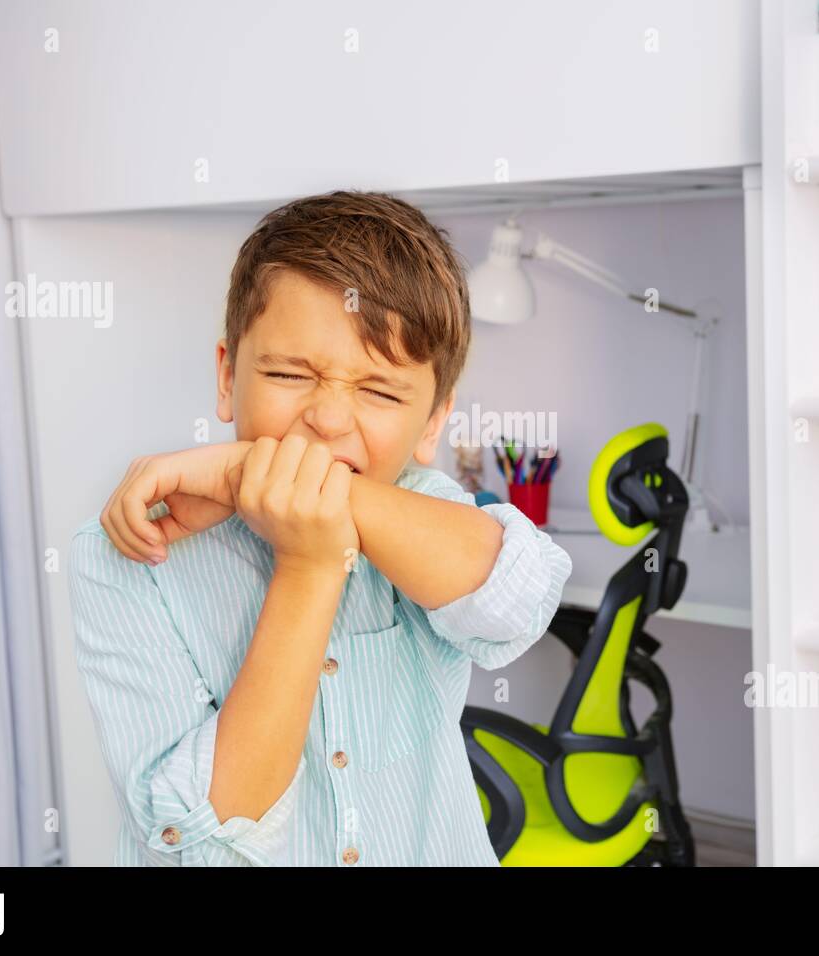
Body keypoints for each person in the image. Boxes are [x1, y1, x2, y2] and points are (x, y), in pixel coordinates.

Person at [66, 190, 572, 865]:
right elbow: (203, 845)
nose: (329, 421)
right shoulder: (124, 555)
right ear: (227, 376)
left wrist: (256, 475)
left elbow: (522, 600)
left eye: (381, 391)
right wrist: (308, 566)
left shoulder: (423, 504)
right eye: (287, 373)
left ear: (432, 423)